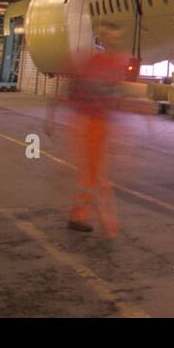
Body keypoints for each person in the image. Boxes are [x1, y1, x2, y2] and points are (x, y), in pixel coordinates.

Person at [59, 23, 135, 235]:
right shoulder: (103, 62)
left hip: (95, 123)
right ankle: (108, 224)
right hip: (92, 124)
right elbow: (96, 90)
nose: (116, 40)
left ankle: (80, 216)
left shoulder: (108, 61)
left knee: (92, 174)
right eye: (113, 35)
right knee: (95, 175)